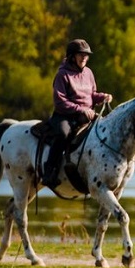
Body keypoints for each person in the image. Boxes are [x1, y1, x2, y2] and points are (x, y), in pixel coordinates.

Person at [44, 38, 112, 188]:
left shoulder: (88, 73)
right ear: (72, 56)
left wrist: (102, 97)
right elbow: (60, 102)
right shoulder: (62, 74)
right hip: (64, 116)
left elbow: (91, 94)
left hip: (85, 116)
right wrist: (81, 109)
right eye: (81, 54)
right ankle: (49, 173)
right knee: (62, 134)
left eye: (86, 55)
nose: (84, 58)